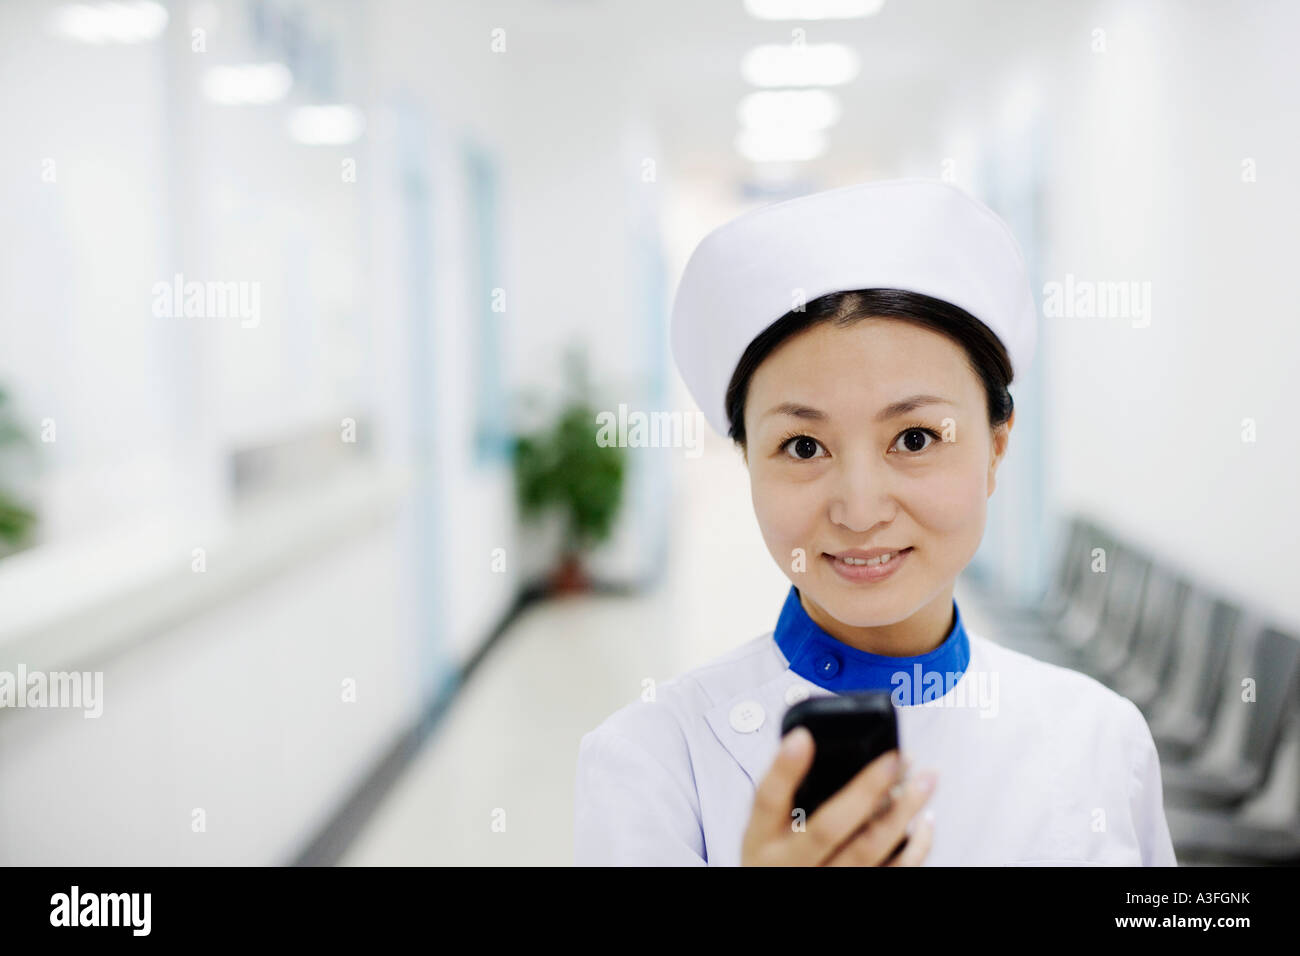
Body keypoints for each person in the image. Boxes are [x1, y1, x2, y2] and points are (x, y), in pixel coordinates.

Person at [572, 178, 1177, 866]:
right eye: (803, 447)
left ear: (996, 447)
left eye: (915, 438)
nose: (860, 510)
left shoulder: (1100, 740)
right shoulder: (651, 766)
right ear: (747, 460)